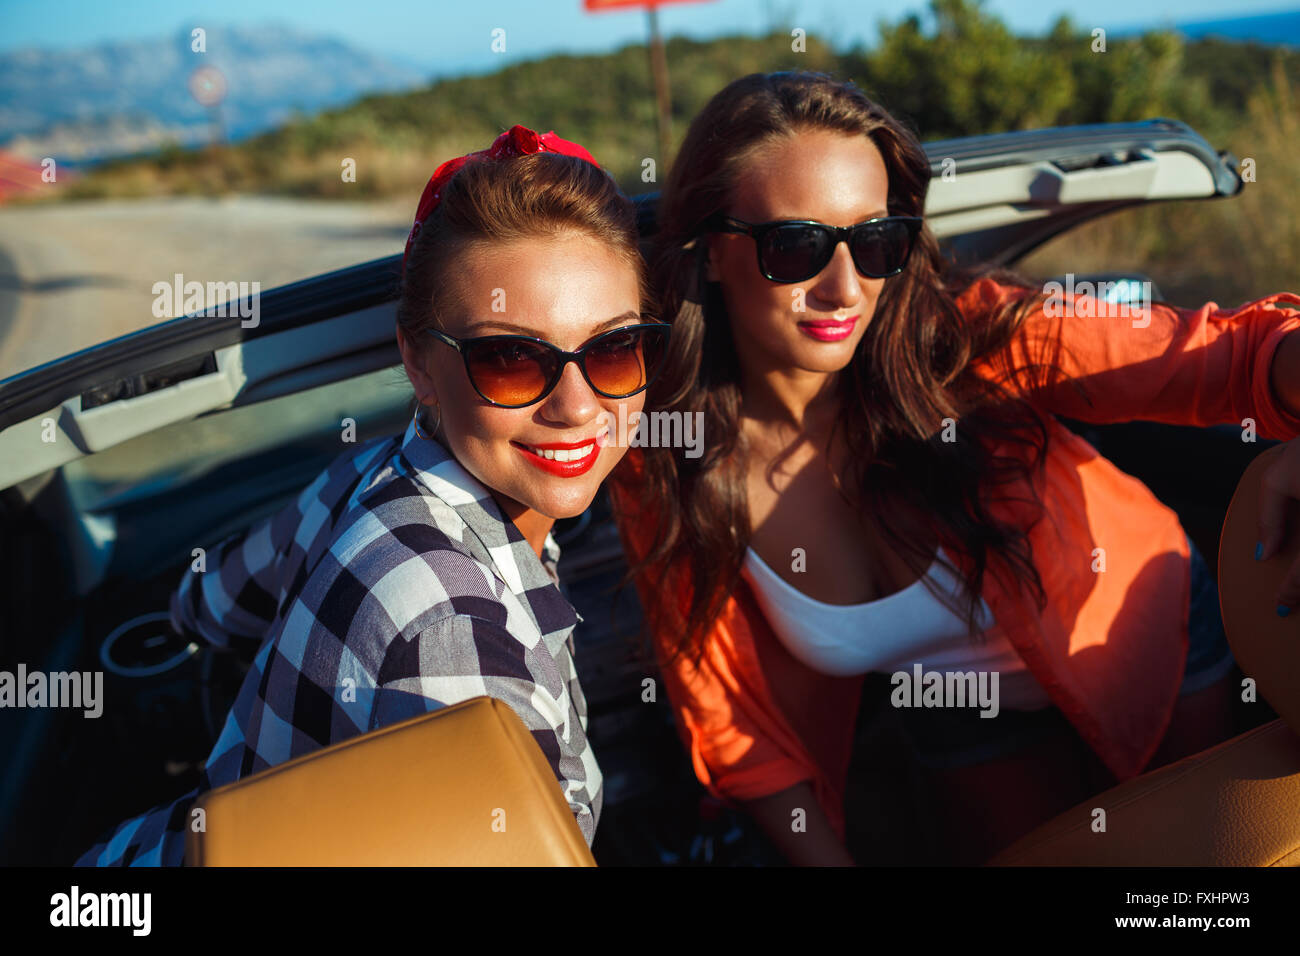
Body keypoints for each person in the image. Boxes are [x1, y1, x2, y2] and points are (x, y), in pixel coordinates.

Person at [608, 71, 1300, 866]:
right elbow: (730, 722)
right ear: (711, 253)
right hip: (958, 708)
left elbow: (1229, 357)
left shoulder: (972, 339)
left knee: (1183, 898)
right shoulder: (663, 457)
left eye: (877, 242)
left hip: (1143, 637)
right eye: (795, 246)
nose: (846, 289)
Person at [77, 124, 670, 865]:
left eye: (614, 348)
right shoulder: (461, 647)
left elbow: (209, 604)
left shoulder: (356, 479)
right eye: (512, 357)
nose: (578, 406)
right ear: (418, 364)